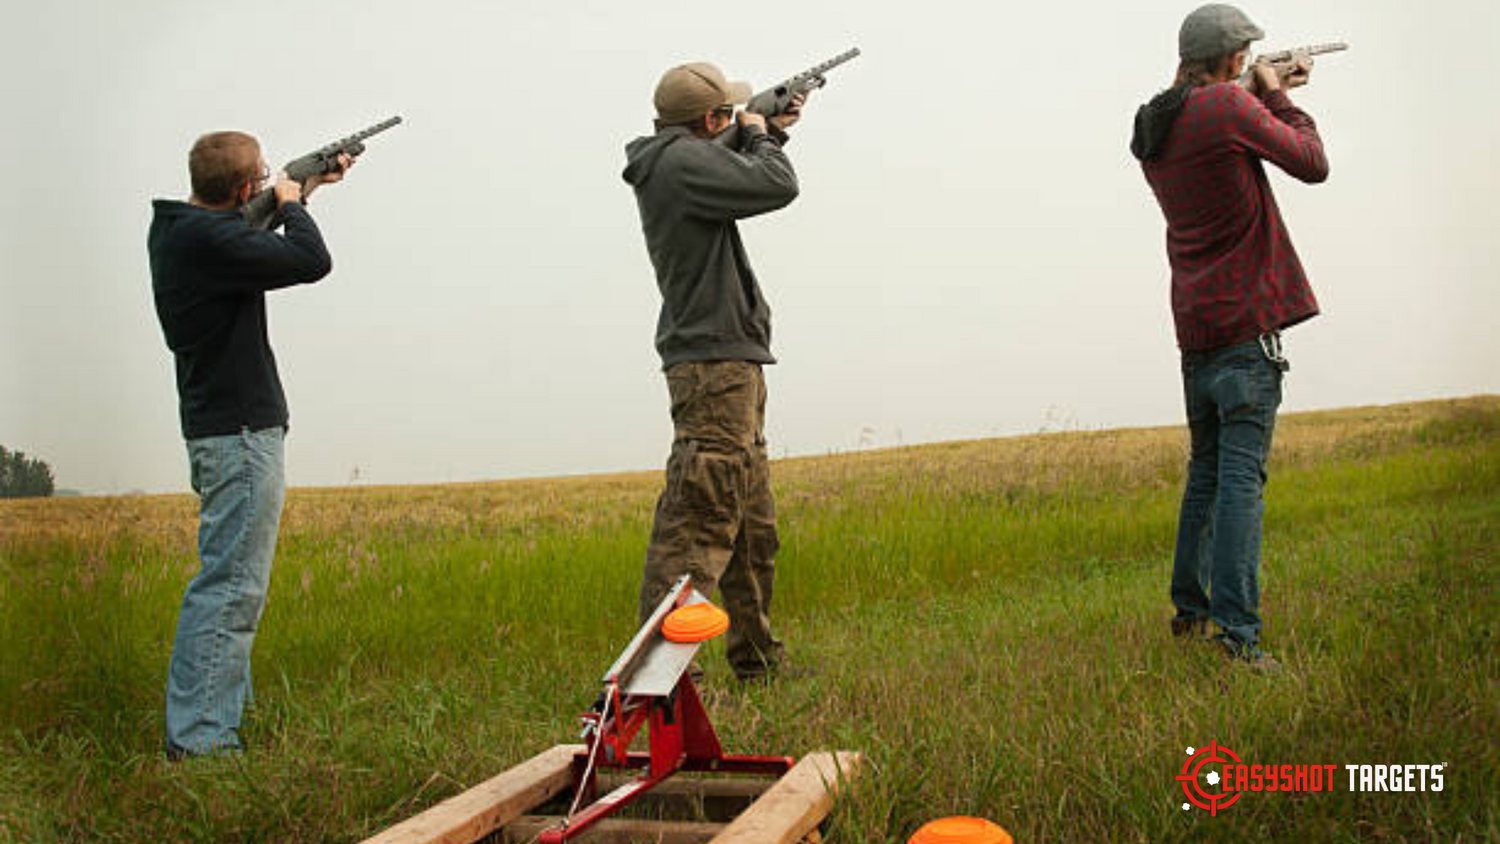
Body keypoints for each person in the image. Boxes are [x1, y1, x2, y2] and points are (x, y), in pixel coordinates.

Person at [1130, 4, 1330, 670]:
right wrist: (1280, 98)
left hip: (1195, 324)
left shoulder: (1152, 123)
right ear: (1234, 58)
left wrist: (1258, 93)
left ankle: (1189, 610)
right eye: (1246, 57)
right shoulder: (1227, 109)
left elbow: (1208, 115)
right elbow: (1311, 163)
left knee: (1207, 474)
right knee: (1242, 478)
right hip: (1247, 325)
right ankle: (1239, 637)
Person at [148, 131, 351, 756]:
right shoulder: (209, 239)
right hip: (238, 433)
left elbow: (249, 242)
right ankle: (202, 742)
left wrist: (308, 186)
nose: (265, 186)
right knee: (232, 588)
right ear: (244, 188)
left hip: (223, 427)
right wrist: (291, 203)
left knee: (231, 583)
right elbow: (311, 262)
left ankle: (216, 717)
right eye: (259, 180)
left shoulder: (181, 230)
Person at [622, 62, 805, 682]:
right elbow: (777, 186)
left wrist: (765, 130)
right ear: (710, 120)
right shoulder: (677, 164)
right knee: (698, 527)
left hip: (730, 362)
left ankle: (759, 664)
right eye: (725, 114)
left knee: (753, 533)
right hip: (713, 367)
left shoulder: (686, 162)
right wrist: (758, 134)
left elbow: (752, 173)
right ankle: (660, 684)